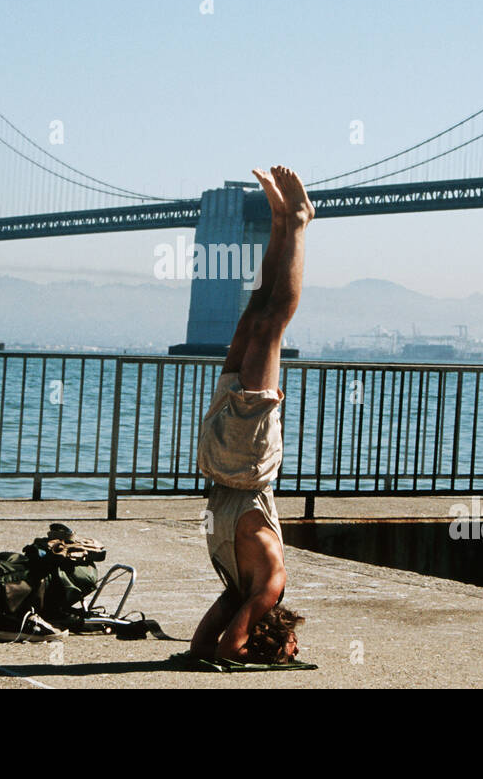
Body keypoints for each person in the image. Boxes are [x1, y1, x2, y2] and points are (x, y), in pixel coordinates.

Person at [189, 165, 313, 663]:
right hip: (244, 466)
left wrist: (261, 653)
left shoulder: (246, 594)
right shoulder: (269, 586)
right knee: (269, 330)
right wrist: (261, 653)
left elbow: (211, 647)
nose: (297, 646)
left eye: (291, 646)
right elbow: (224, 646)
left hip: (223, 462)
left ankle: (283, 223)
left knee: (252, 320)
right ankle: (298, 223)